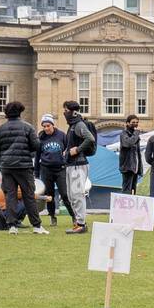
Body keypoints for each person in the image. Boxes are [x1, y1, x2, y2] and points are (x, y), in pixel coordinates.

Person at [0, 100, 46, 234]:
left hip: (6, 167)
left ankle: (12, 226)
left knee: (10, 196)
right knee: (29, 195)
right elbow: (36, 146)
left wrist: (0, 166)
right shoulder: (28, 128)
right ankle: (37, 226)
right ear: (20, 112)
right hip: (24, 166)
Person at [61, 100, 96, 235]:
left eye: (66, 110)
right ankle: (78, 222)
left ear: (72, 111)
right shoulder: (72, 125)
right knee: (71, 196)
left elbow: (90, 138)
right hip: (71, 164)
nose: (64, 113)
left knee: (77, 195)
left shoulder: (78, 125)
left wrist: (78, 149)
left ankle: (81, 224)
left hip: (78, 164)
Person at [36, 114, 69, 225]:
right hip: (46, 169)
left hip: (60, 169)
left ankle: (74, 216)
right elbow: (37, 156)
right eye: (44, 126)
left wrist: (66, 158)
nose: (46, 128)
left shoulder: (62, 135)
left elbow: (68, 149)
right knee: (49, 195)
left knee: (64, 194)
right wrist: (36, 174)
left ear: (52, 125)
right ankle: (52, 217)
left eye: (48, 126)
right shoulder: (41, 138)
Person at [119, 114, 143, 195]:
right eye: (133, 122)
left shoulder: (135, 136)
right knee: (126, 190)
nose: (135, 124)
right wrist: (136, 133)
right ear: (127, 123)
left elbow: (137, 153)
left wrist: (140, 168)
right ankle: (124, 207)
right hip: (127, 167)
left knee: (133, 191)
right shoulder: (124, 134)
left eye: (137, 122)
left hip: (135, 167)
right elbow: (127, 143)